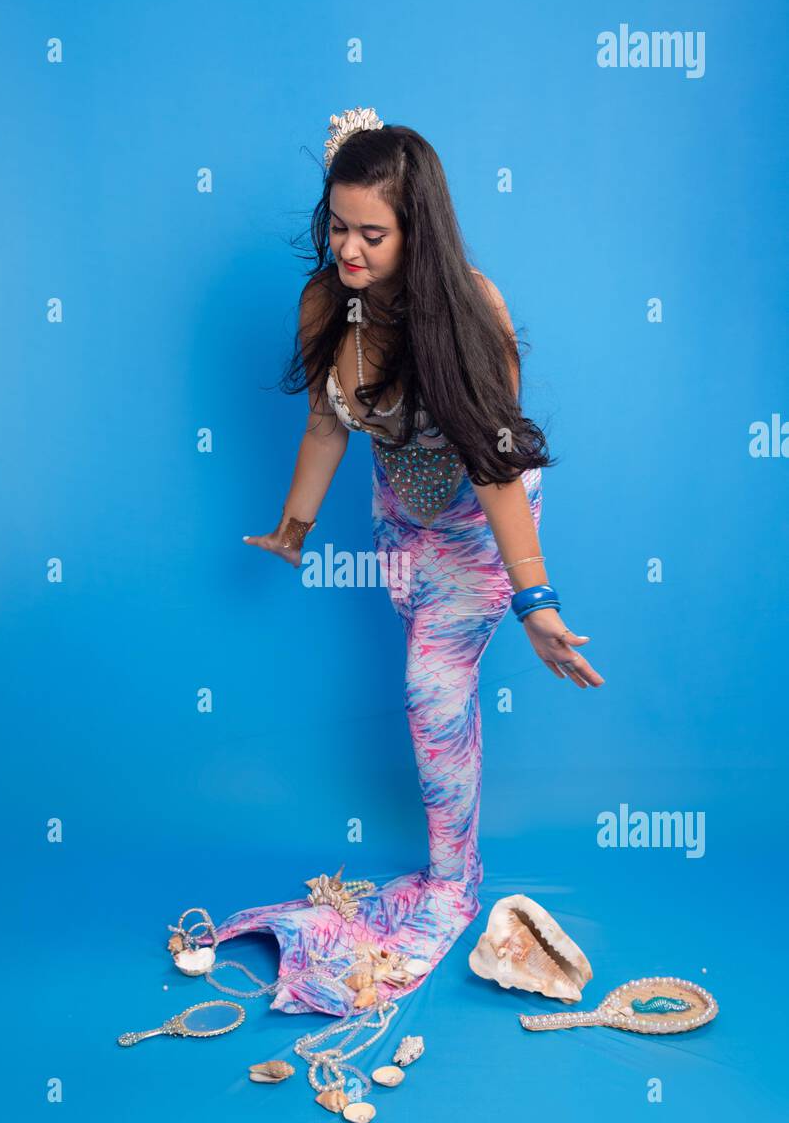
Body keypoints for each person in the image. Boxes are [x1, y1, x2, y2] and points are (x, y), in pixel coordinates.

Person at [223, 108, 604, 1016]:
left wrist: (535, 599)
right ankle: (455, 855)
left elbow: (494, 460)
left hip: (481, 517)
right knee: (437, 691)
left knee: (430, 695)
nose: (347, 249)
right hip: (402, 517)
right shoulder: (327, 302)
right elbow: (327, 419)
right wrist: (294, 526)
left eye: (372, 233)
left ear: (416, 230)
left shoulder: (471, 309)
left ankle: (451, 881)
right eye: (337, 225)